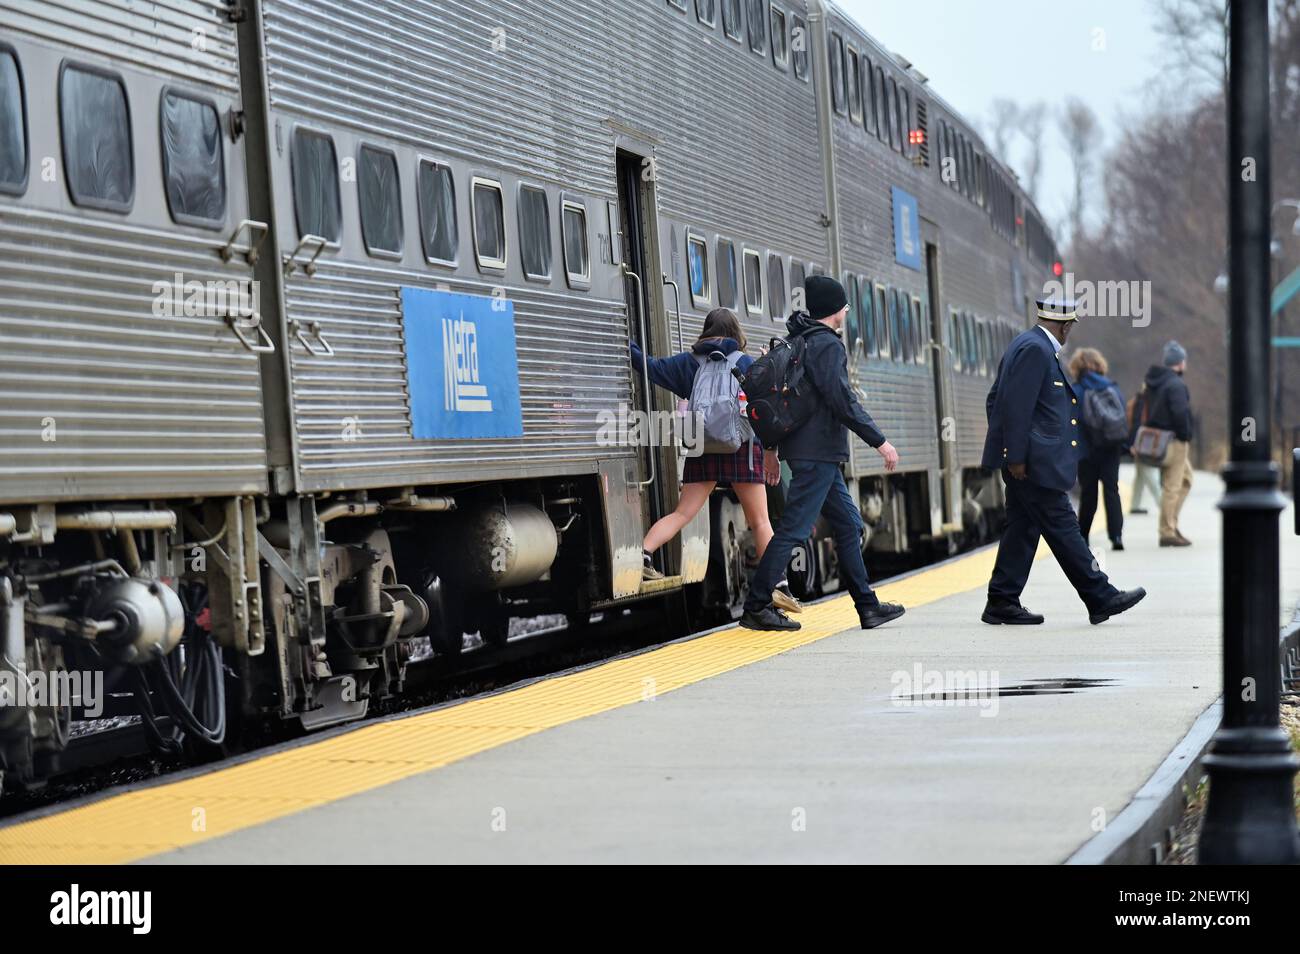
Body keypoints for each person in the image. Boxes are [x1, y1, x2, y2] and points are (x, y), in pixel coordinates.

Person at [739, 276, 905, 632]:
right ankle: (755, 606)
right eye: (844, 305)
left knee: (848, 525)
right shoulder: (827, 345)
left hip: (817, 454)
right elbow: (841, 400)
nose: (846, 310)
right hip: (816, 455)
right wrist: (880, 441)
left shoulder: (802, 341)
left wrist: (771, 449)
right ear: (835, 310)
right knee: (795, 529)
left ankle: (868, 606)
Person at [980, 298, 1146, 626]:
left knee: (1022, 529)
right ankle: (1100, 596)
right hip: (1032, 464)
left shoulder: (1030, 345)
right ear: (1066, 326)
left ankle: (1001, 599)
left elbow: (995, 399)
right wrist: (1015, 456)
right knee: (1064, 527)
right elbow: (1012, 405)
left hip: (1029, 461)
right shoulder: (1035, 351)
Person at [630, 307, 802, 614]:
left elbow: (650, 367)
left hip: (703, 446)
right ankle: (779, 585)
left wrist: (626, 345)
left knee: (683, 514)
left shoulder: (688, 363)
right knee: (760, 520)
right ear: (736, 332)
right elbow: (767, 405)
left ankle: (643, 554)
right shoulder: (746, 363)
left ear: (706, 332)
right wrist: (769, 450)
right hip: (740, 448)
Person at [1068, 347, 1125, 550]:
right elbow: (1121, 416)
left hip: (1086, 450)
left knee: (1088, 493)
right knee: (1112, 489)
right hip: (1111, 447)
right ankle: (1116, 536)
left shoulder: (1076, 389)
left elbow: (1071, 421)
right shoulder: (1112, 387)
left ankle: (1084, 536)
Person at [1143, 340, 1194, 546]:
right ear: (1180, 362)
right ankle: (1167, 532)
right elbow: (1180, 413)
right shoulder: (1176, 385)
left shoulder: (1154, 383)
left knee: (1185, 480)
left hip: (1157, 441)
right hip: (1174, 442)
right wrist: (1186, 435)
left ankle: (1170, 523)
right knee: (1173, 486)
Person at [1126, 383, 1162, 515]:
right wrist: (1134, 444)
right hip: (1143, 443)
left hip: (1138, 442)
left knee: (1140, 475)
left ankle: (1135, 505)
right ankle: (1164, 506)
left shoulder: (1138, 400)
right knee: (1151, 475)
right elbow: (1137, 424)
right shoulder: (1145, 402)